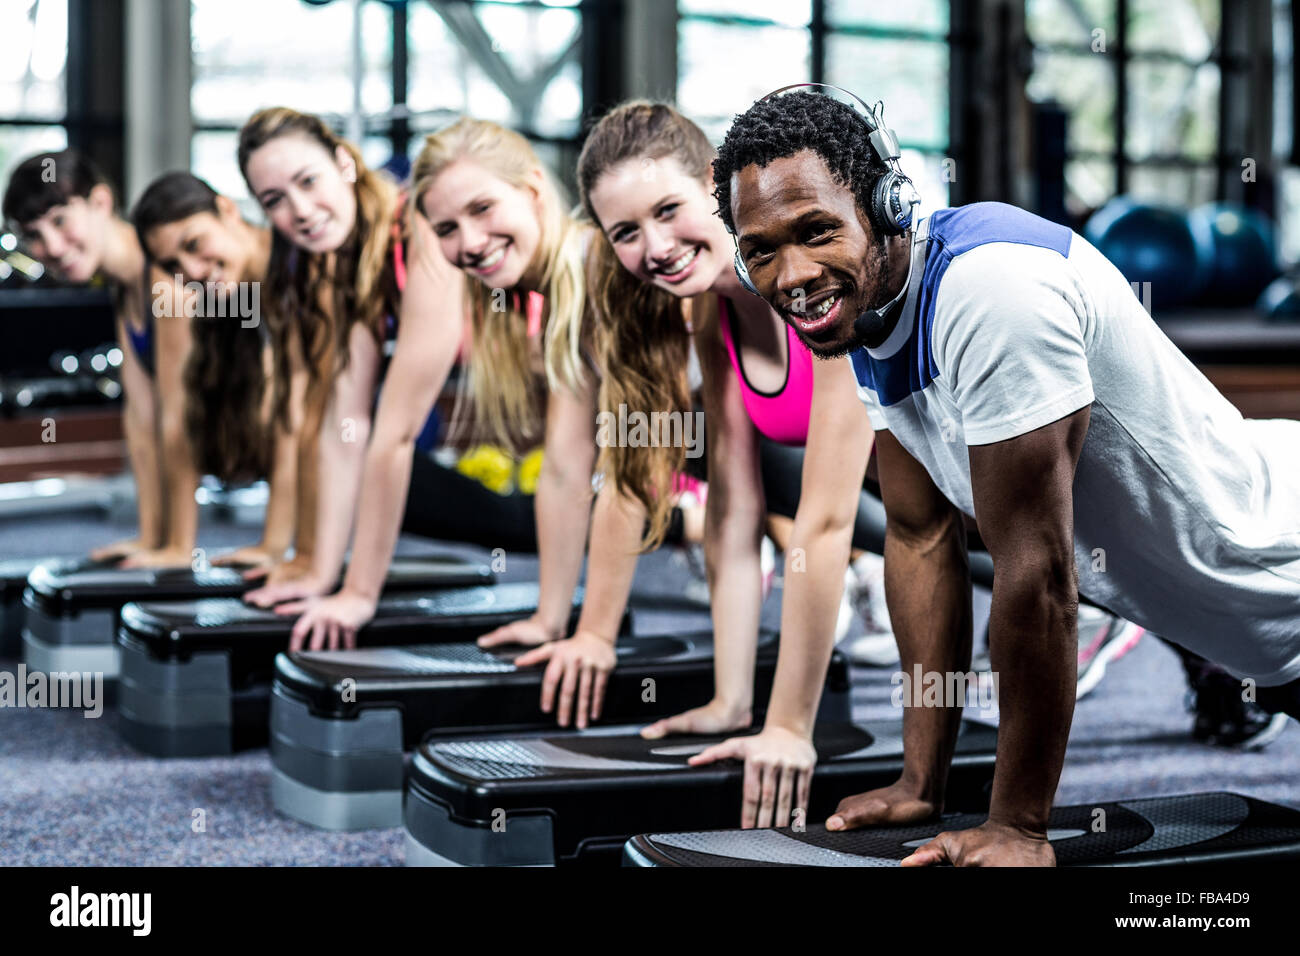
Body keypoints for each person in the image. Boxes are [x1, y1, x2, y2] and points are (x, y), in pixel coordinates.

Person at [691, 88, 1300, 866]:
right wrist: (922, 780)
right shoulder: (871, 320)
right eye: (761, 249)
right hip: (1255, 635)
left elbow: (1038, 577)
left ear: (887, 204)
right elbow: (919, 540)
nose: (793, 274)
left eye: (816, 231)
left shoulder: (991, 292)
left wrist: (1019, 825)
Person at [3, 150, 198, 568]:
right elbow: (141, 418)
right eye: (33, 235)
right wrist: (150, 539)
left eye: (59, 220)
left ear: (101, 203)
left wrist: (179, 550)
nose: (51, 247)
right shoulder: (127, 288)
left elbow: (179, 420)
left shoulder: (165, 284)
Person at [130, 170, 315, 582]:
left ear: (228, 210)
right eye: (173, 265)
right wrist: (181, 547)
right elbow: (178, 415)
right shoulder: (235, 297)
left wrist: (276, 547)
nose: (192, 270)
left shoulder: (296, 266)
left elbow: (295, 420)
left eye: (194, 244)